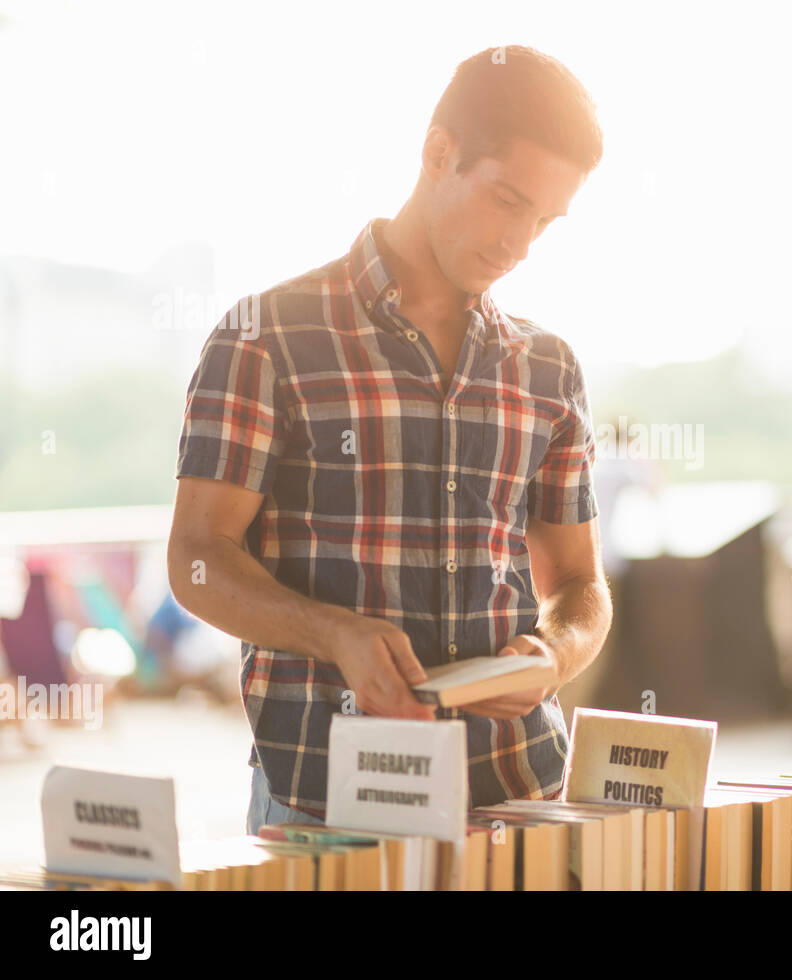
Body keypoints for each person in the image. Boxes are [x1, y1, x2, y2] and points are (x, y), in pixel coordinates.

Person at [168, 46, 613, 834]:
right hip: (329, 804)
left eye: (545, 220)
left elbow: (580, 582)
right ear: (439, 153)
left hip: (521, 798)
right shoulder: (266, 336)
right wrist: (334, 632)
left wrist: (554, 654)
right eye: (508, 200)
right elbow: (197, 559)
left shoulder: (549, 367)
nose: (521, 242)